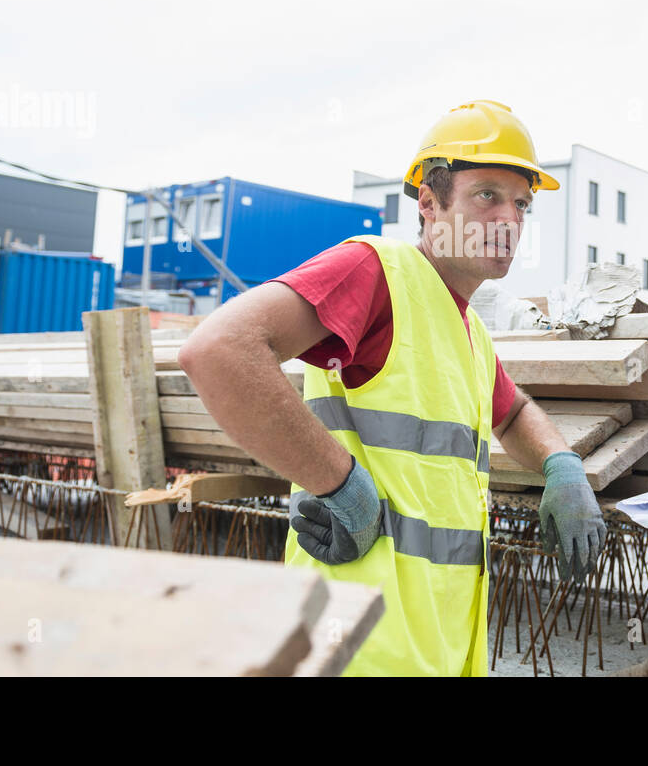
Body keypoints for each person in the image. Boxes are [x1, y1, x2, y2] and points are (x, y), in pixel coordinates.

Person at [178, 99, 606, 676]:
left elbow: (512, 413)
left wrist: (562, 466)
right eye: (487, 196)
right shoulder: (377, 271)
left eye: (521, 205)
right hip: (360, 649)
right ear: (429, 204)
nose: (509, 220)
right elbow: (219, 351)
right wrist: (341, 484)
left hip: (439, 648)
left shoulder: (469, 330)